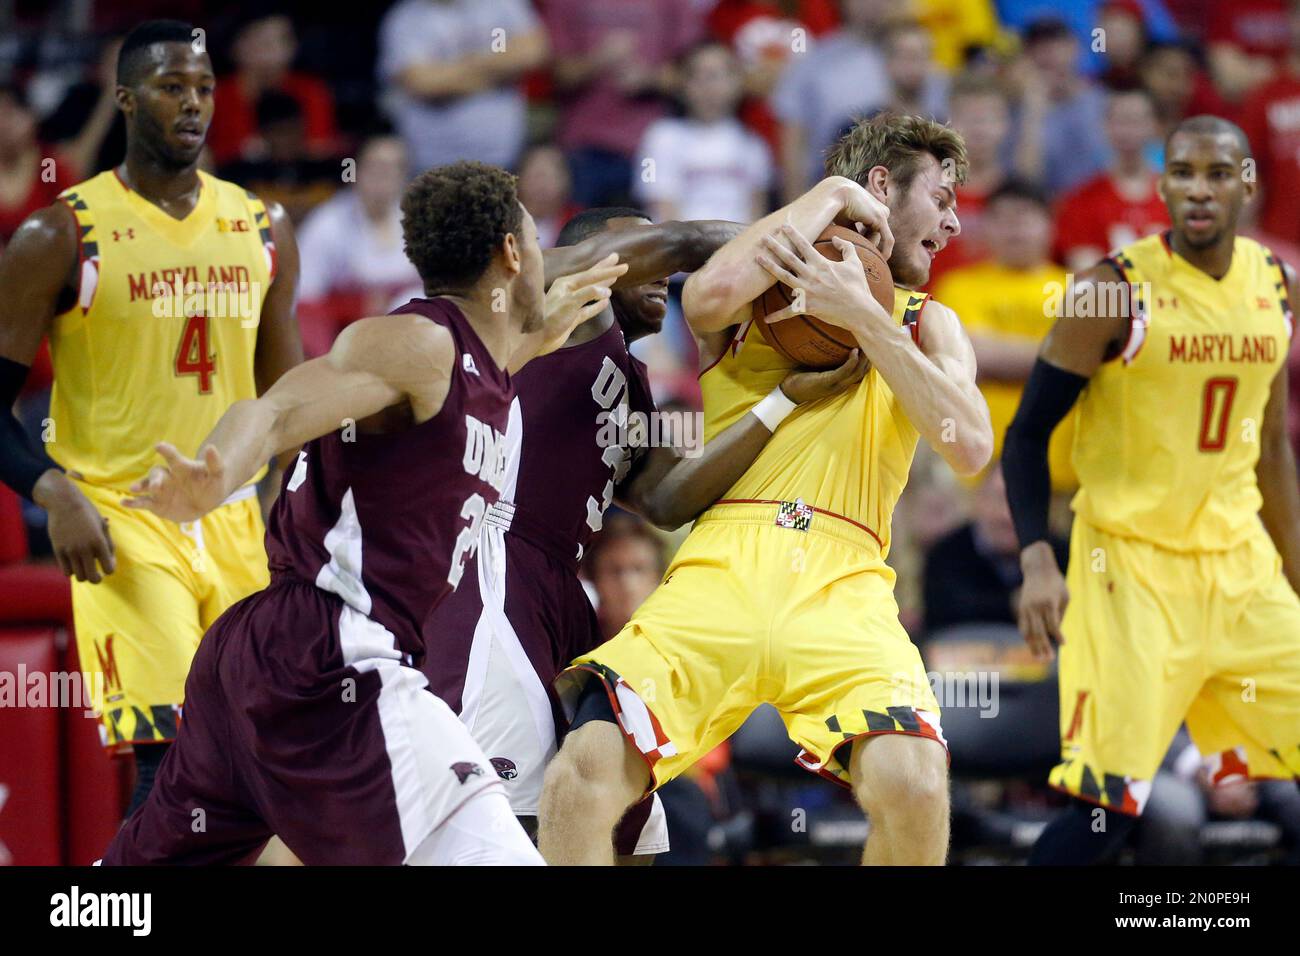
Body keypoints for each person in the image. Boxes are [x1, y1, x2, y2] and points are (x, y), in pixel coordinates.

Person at [101, 160, 624, 865]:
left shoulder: (494, 354)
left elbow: (525, 337)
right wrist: (219, 471)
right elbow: (276, 407)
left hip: (258, 653)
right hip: (333, 654)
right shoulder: (419, 345)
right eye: (536, 240)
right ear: (510, 254)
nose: (545, 257)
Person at [537, 111, 994, 866]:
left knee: (915, 787)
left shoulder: (930, 323)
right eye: (942, 198)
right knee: (582, 776)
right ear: (880, 186)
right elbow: (707, 297)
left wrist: (864, 319)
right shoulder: (763, 284)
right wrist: (836, 195)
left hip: (846, 577)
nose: (951, 221)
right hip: (727, 559)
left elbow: (970, 444)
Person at [422, 205, 869, 857]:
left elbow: (664, 498)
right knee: (512, 817)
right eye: (642, 252)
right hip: (493, 570)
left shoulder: (633, 384)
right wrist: (800, 251)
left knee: (623, 822)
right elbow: (682, 240)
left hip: (561, 589)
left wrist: (783, 402)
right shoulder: (570, 314)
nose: (666, 276)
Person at [0, 20, 303, 816]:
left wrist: (288, 511)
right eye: (173, 87)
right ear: (127, 100)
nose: (194, 104)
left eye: (204, 87)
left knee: (257, 768)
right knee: (172, 764)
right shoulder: (61, 232)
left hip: (237, 519)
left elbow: (290, 398)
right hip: (123, 520)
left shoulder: (262, 226)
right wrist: (53, 490)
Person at [1002, 115, 1300, 864]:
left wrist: (1294, 578)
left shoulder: (1275, 283)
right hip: (1128, 571)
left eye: (1219, 173)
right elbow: (1028, 435)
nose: (1200, 191)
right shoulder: (1112, 290)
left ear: (1247, 184)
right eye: (1185, 173)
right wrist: (1038, 558)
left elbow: (1271, 447)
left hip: (1240, 567)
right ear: (1163, 184)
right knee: (1110, 808)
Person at [933, 179, 1076, 491]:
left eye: (1025, 216)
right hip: (974, 472)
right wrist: (1057, 356)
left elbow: (1086, 362)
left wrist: (1001, 355)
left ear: (1050, 225)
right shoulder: (957, 287)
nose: (1015, 228)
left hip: (1062, 470)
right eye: (1002, 218)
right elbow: (971, 357)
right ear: (984, 227)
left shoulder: (1080, 291)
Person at [376, 0, 548, 174]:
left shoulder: (501, 5)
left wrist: (450, 72)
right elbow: (423, 84)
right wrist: (496, 69)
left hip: (504, 156)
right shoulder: (405, 18)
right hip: (430, 163)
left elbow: (531, 52)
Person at [294, 133, 421, 356]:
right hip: (345, 343)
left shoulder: (419, 222)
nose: (384, 175)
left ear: (405, 176)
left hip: (413, 343)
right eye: (375, 166)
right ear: (356, 171)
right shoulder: (327, 225)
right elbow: (303, 300)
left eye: (394, 168)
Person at [634, 42, 773, 224]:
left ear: (738, 82)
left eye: (717, 76)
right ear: (682, 84)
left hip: (741, 246)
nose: (708, 86)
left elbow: (757, 215)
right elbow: (662, 209)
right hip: (677, 246)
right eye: (697, 76)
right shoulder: (661, 137)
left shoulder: (753, 144)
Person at [1054, 88, 1169, 272]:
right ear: (1104, 126)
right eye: (1121, 121)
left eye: (1136, 121)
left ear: (1154, 126)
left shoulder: (1177, 197)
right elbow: (1084, 271)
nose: (1128, 131)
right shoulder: (1080, 200)